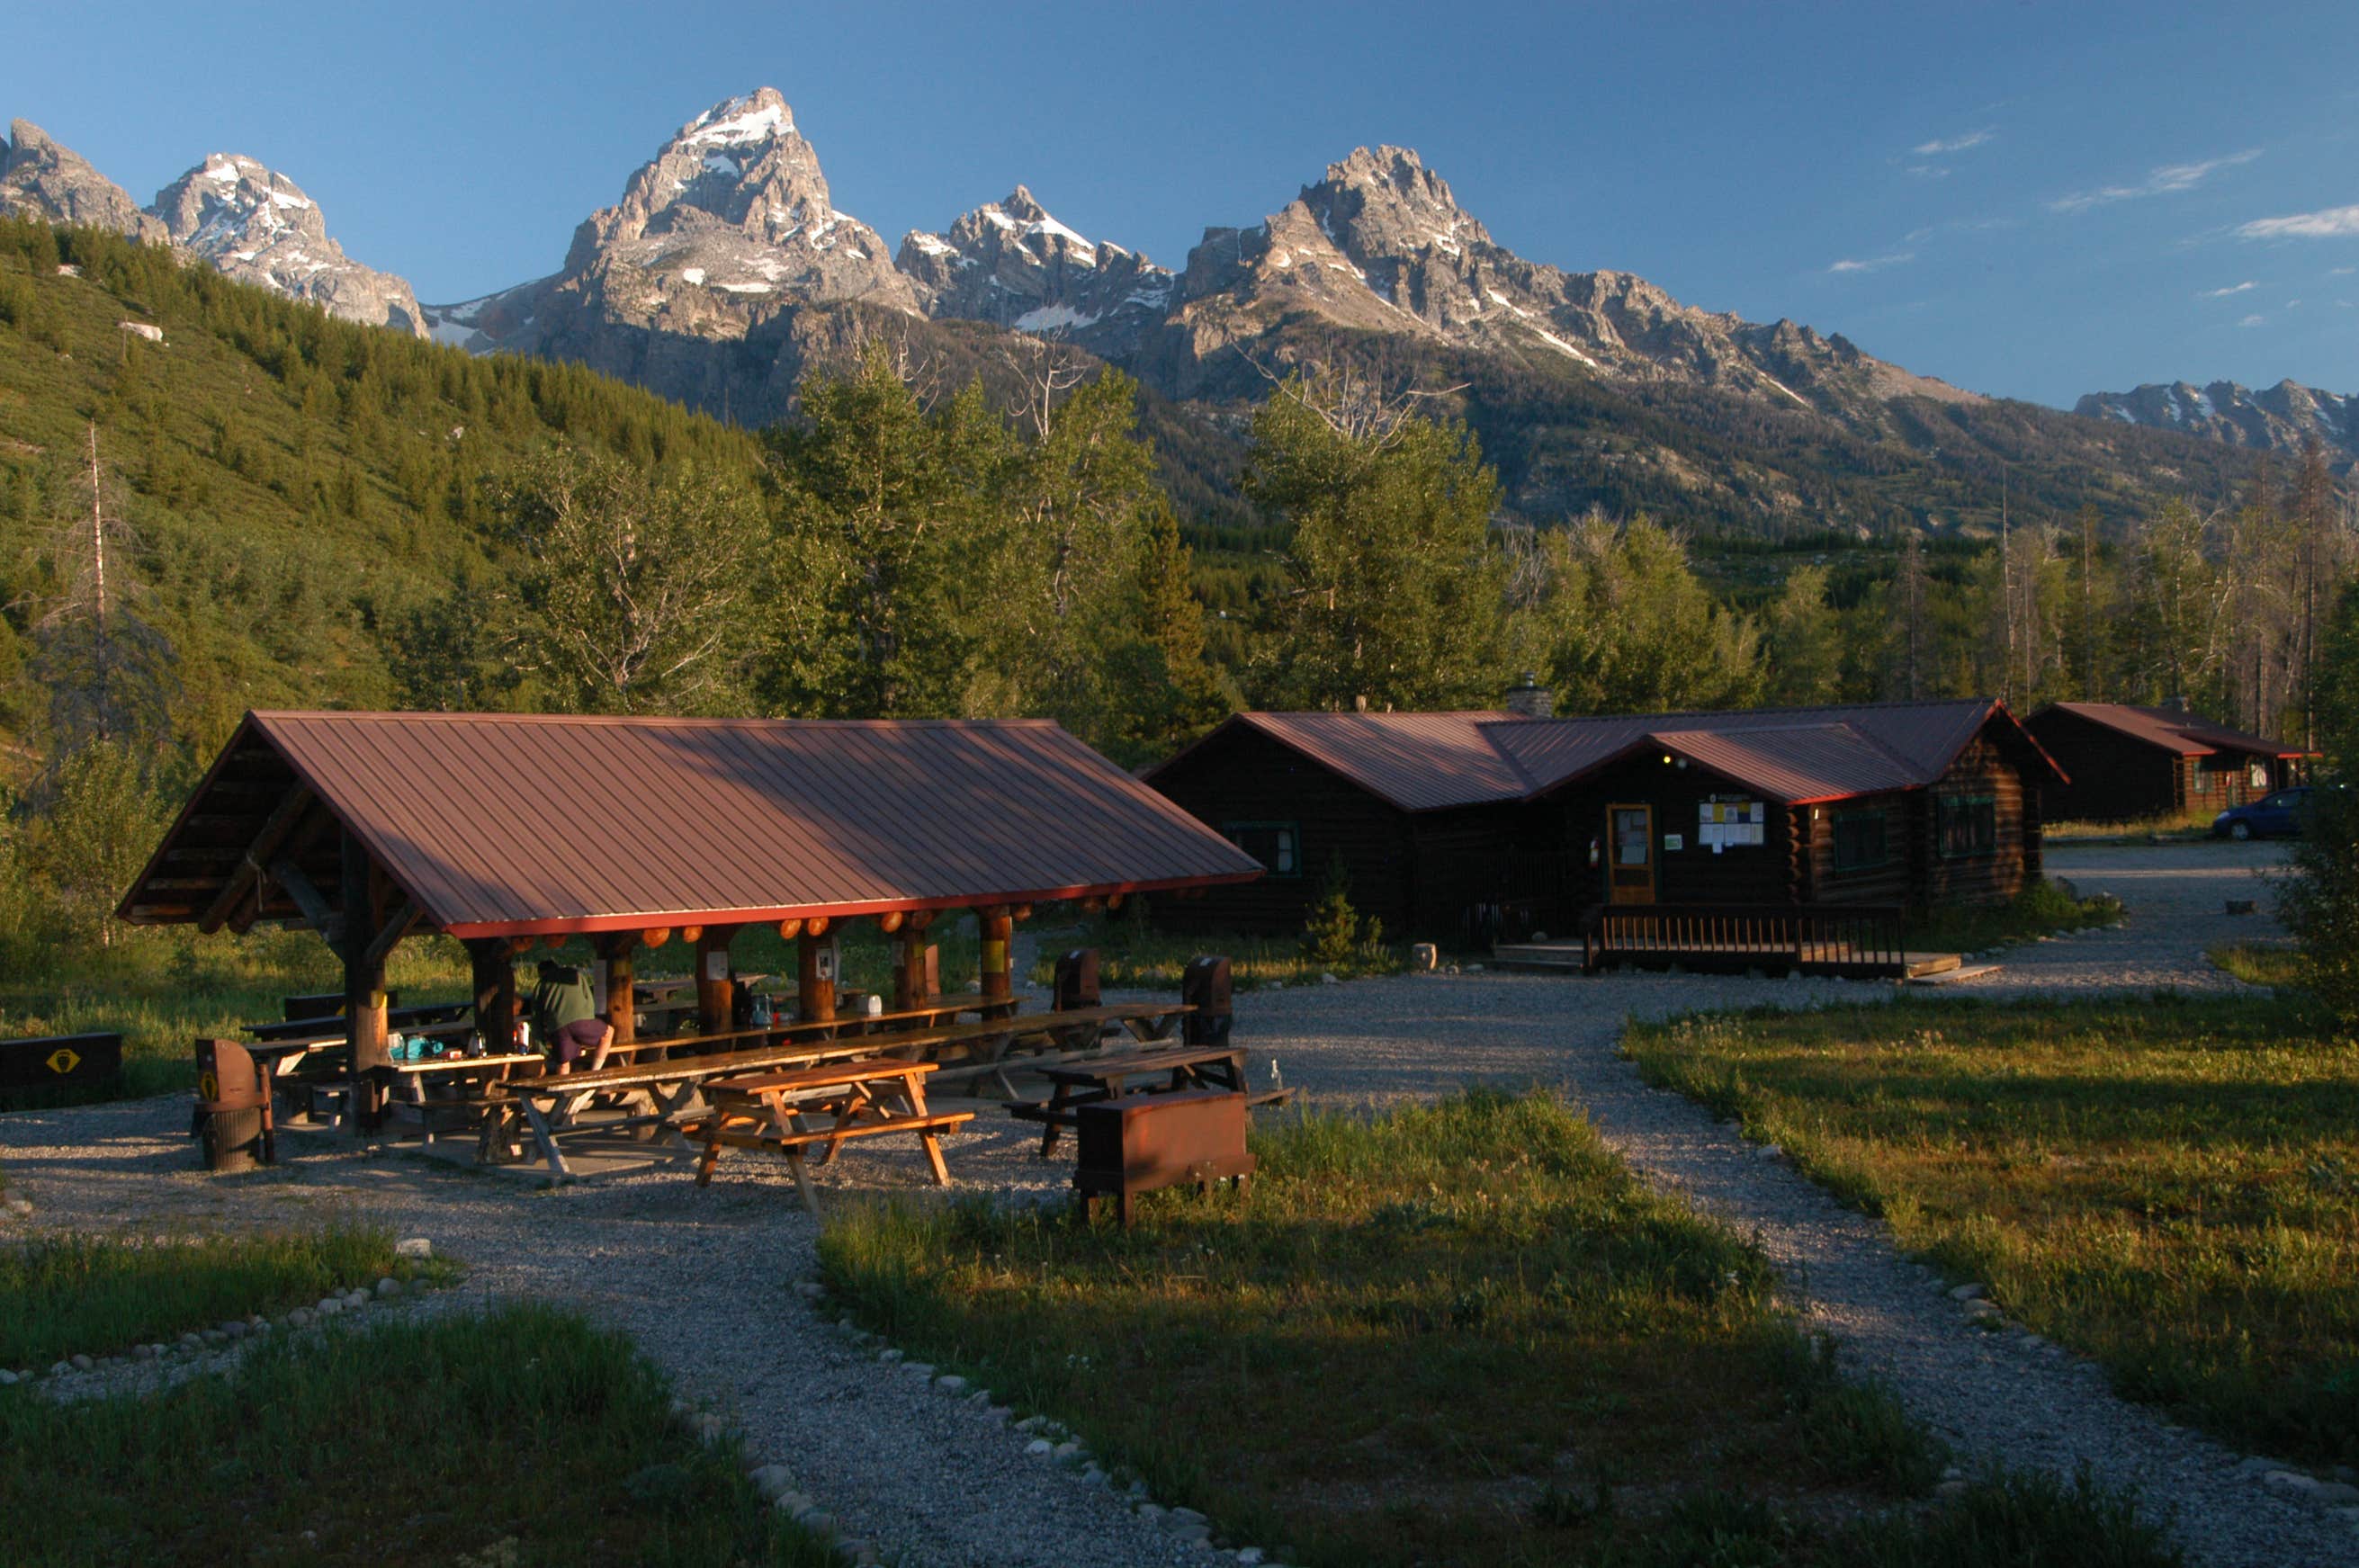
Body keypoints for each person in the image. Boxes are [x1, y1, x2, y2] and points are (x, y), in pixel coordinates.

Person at [528, 959, 614, 1074]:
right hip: (582, 1024)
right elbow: (590, 1001)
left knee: (563, 1063)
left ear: (541, 973)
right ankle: (595, 1073)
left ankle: (563, 1091)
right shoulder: (576, 975)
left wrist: (541, 1048)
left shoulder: (541, 984)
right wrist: (588, 1020)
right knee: (609, 1032)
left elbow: (536, 1019)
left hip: (559, 1028)